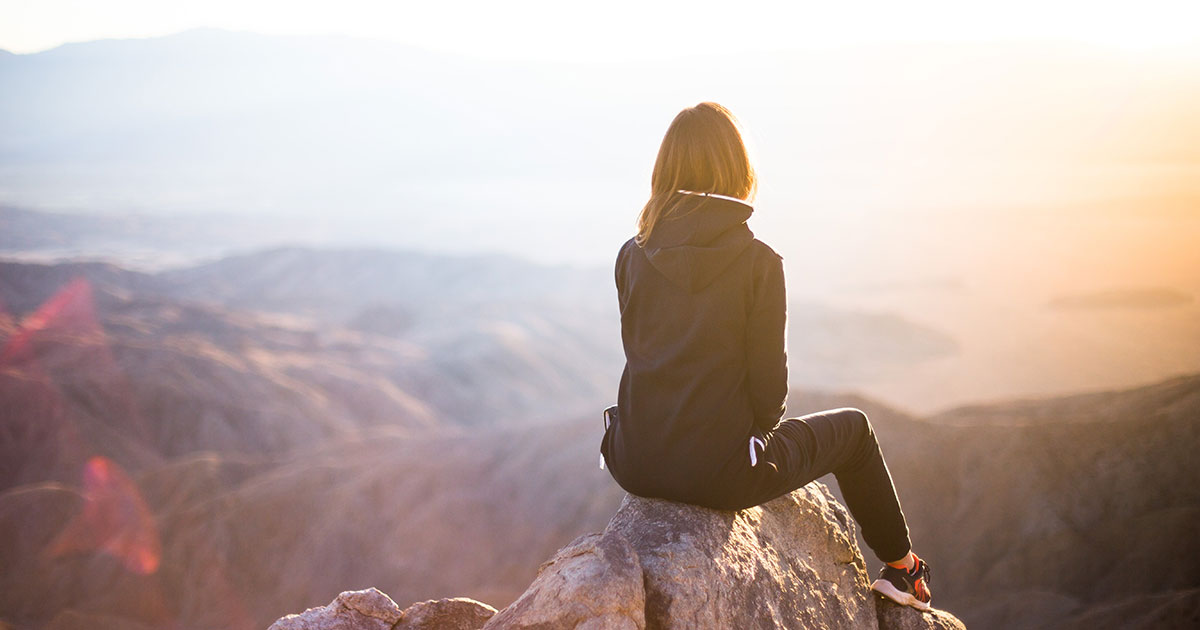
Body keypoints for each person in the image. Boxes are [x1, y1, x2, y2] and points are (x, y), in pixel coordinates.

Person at [599, 102, 932, 611]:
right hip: (722, 474)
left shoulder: (631, 252)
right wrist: (745, 444)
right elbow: (769, 396)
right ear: (737, 169)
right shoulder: (758, 263)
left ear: (664, 170)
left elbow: (642, 355)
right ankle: (903, 570)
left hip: (633, 459)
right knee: (856, 431)